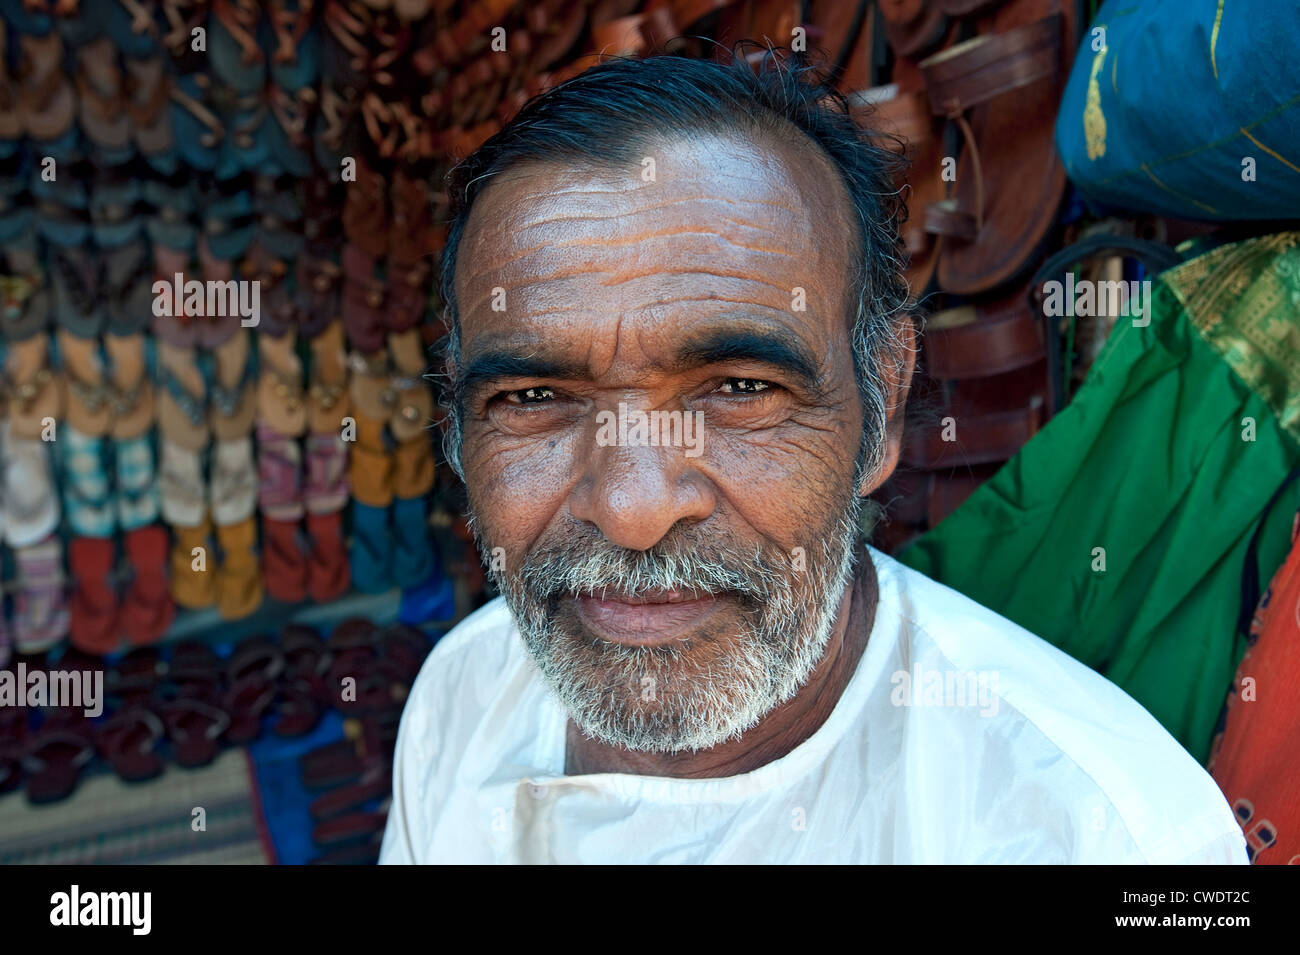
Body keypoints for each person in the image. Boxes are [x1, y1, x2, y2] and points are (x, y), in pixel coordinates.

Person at [380, 53, 1245, 864]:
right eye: (533, 398)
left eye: (740, 389)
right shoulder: (462, 692)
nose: (633, 508)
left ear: (883, 402)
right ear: (459, 420)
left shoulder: (1106, 830)